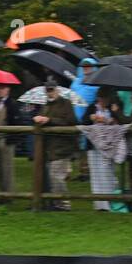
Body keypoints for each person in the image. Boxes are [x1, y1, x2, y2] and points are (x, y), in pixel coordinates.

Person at [31, 79, 77, 211]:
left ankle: (64, 204)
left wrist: (49, 120)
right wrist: (37, 119)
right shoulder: (45, 105)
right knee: (54, 176)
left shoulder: (66, 103)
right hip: (49, 146)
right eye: (48, 90)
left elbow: (71, 121)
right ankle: (57, 203)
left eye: (52, 89)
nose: (50, 92)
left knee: (57, 176)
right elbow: (43, 118)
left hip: (63, 146)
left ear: (57, 89)